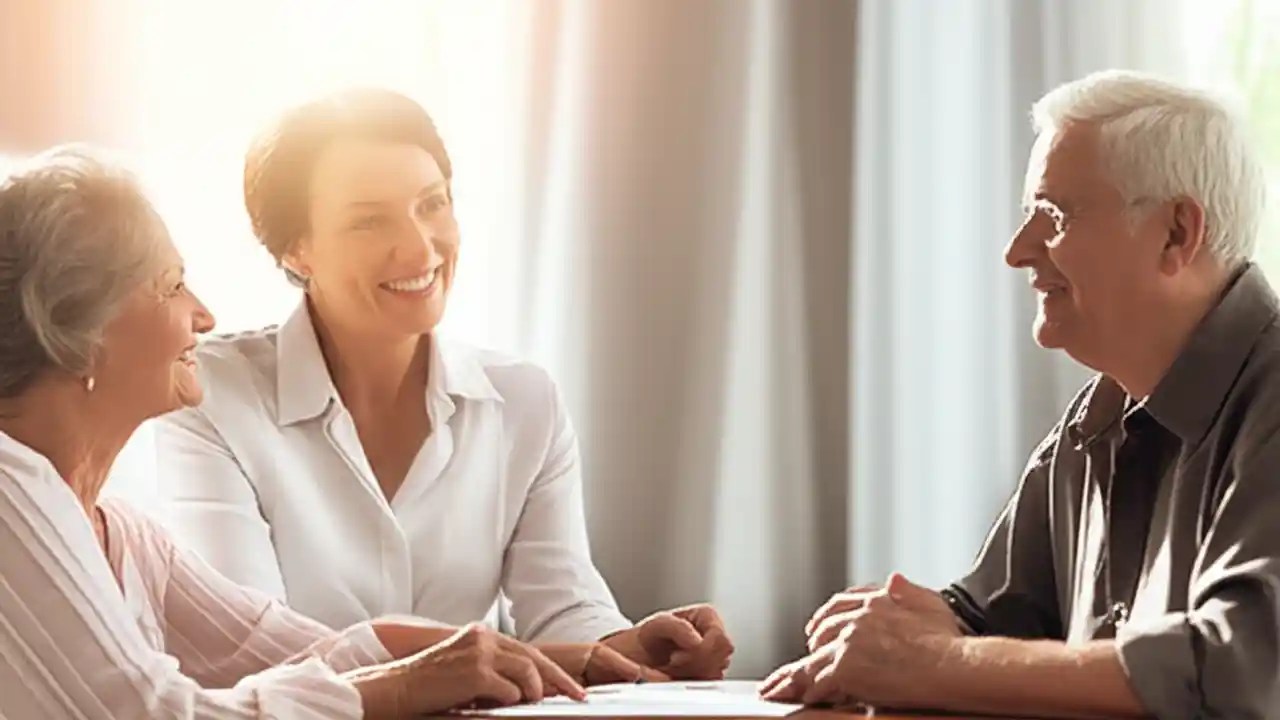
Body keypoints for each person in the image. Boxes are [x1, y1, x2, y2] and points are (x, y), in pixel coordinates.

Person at [0, 145, 640, 717]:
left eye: (432, 204)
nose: (203, 314)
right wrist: (396, 691)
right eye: (171, 287)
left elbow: (293, 651)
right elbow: (156, 713)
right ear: (77, 335)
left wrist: (563, 660)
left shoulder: (122, 535)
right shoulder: (10, 491)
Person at [153, 88, 734, 680]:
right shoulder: (209, 393)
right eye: (369, 220)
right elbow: (251, 646)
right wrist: (523, 661)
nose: (419, 246)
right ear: (295, 249)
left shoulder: (522, 402)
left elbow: (562, 605)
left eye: (432, 204)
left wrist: (628, 648)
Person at [763, 71, 1277, 718]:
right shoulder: (1097, 420)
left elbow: (1243, 672)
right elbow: (985, 627)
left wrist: (931, 660)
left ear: (1176, 233)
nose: (1017, 251)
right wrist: (905, 631)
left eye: (1053, 216)